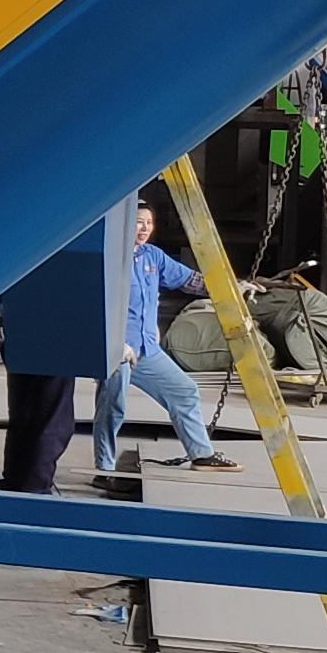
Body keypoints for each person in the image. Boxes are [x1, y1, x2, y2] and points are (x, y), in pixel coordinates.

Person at [95, 198, 239, 479]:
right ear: (124, 224)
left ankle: (201, 454)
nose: (144, 228)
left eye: (148, 223)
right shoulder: (109, 257)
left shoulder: (153, 256)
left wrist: (232, 289)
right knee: (112, 408)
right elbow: (96, 302)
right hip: (118, 349)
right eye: (138, 222)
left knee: (184, 391)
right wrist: (114, 343)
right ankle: (104, 469)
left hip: (147, 350)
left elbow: (190, 281)